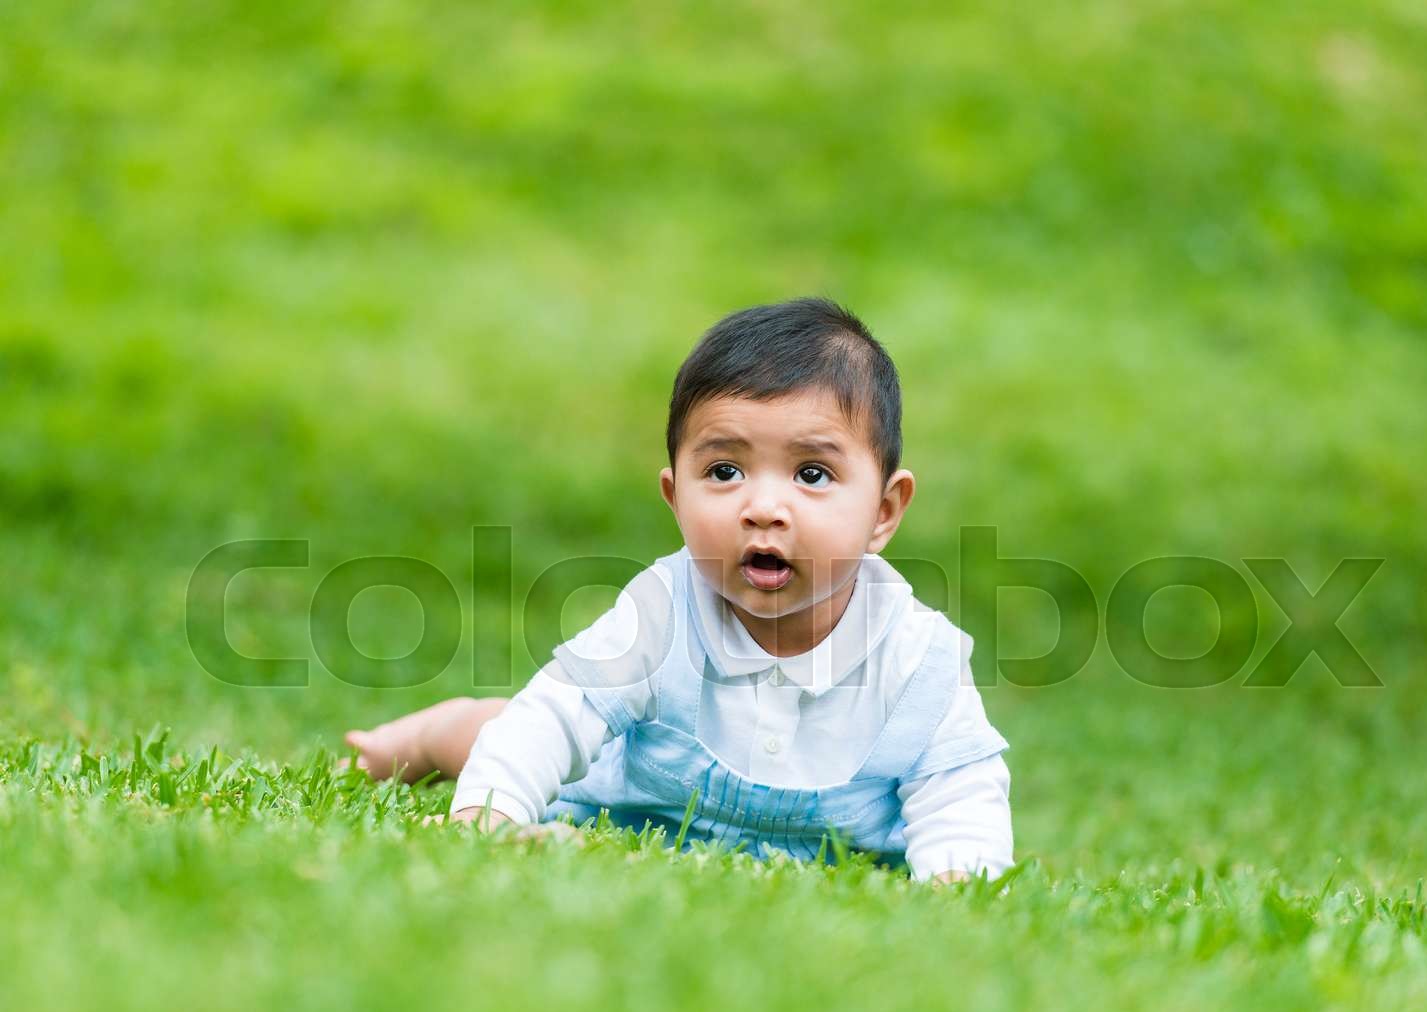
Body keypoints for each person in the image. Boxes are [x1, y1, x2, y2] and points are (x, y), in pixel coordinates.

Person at [345, 298, 1013, 883]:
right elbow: (558, 712)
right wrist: (486, 814)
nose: (763, 506)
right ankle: (428, 734)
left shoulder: (917, 656)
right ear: (675, 496)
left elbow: (959, 786)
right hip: (635, 802)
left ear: (884, 511)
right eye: (724, 470)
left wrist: (961, 876)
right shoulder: (663, 608)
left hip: (837, 848)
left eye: (812, 473)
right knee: (505, 728)